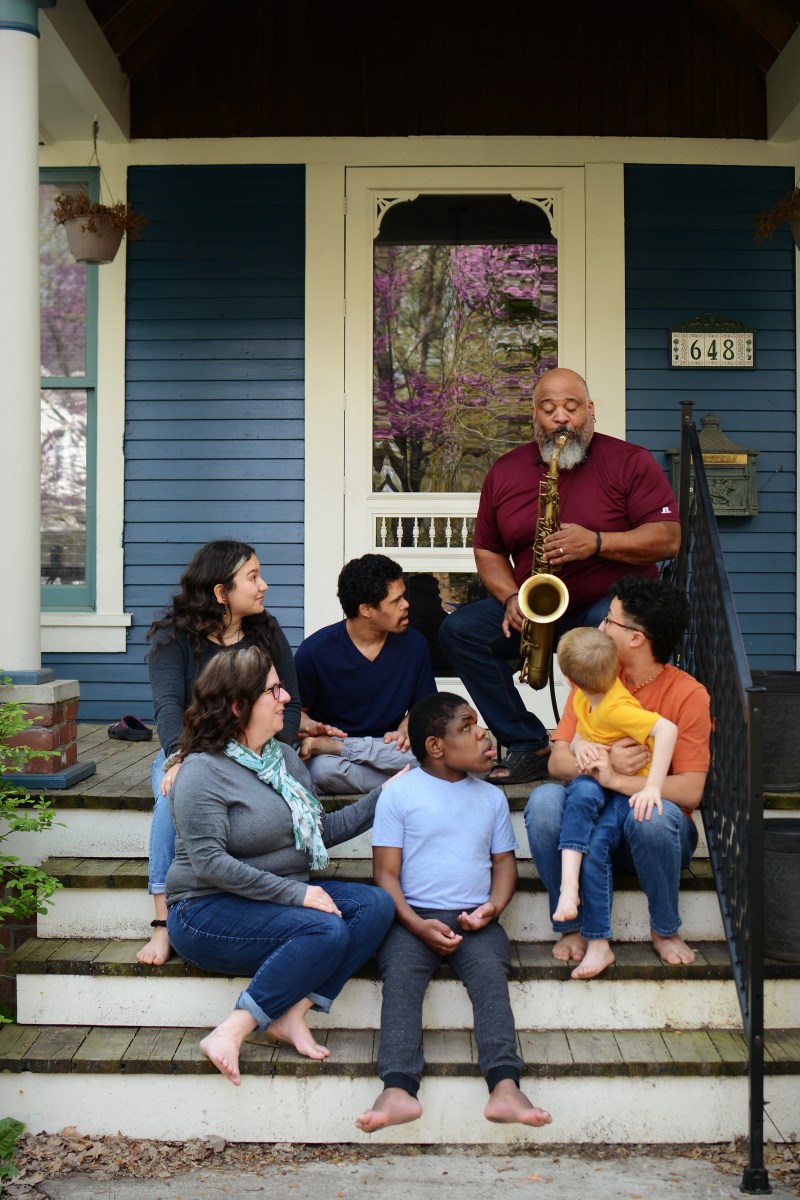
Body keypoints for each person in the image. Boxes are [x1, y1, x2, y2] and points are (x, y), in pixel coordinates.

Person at [165, 645, 396, 1085]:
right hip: (206, 909)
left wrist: (388, 794)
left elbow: (319, 832)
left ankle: (293, 1011)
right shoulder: (201, 772)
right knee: (325, 928)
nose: (286, 698)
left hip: (276, 900)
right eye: (274, 689)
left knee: (375, 906)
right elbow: (210, 864)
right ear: (238, 706)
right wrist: (297, 893)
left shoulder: (284, 759)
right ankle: (235, 1027)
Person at [438, 367, 681, 785]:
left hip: (612, 600)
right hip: (540, 603)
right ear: (535, 416)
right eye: (549, 408)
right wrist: (511, 598)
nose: (561, 418)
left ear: (590, 411)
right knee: (459, 631)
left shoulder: (630, 461)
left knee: (610, 632)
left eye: (571, 407)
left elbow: (668, 538)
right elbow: (488, 549)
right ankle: (527, 742)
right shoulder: (506, 471)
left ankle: (612, 742)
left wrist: (598, 542)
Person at [356, 692, 552, 1133]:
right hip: (412, 919)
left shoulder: (491, 799)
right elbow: (386, 876)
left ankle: (505, 1085)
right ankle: (398, 1088)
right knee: (401, 982)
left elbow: (504, 865)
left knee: (490, 983)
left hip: (475, 921)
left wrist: (493, 908)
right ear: (436, 747)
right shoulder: (400, 794)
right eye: (467, 726)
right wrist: (413, 923)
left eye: (478, 724)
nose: (483, 734)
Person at [524, 575, 711, 981]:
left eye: (609, 621)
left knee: (652, 815)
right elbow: (558, 761)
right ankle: (570, 925)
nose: (601, 628)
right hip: (598, 815)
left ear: (637, 638)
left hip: (655, 833)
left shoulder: (687, 695)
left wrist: (617, 778)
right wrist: (602, 758)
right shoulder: (593, 677)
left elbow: (691, 790)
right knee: (542, 803)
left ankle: (665, 930)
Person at [137, 539, 301, 967]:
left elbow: (292, 702)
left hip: (258, 751)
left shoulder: (266, 632)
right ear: (220, 591)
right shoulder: (174, 638)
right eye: (253, 577)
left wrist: (271, 753)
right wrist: (181, 760)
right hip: (193, 751)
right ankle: (163, 922)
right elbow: (168, 710)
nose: (264, 585)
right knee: (173, 797)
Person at [551, 626, 678, 925]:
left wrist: (653, 787)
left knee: (598, 840)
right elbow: (582, 732)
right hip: (598, 779)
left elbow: (667, 730)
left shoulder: (617, 708)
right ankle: (568, 889)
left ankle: (596, 928)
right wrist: (581, 746)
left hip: (625, 791)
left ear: (569, 680)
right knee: (579, 797)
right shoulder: (583, 698)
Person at [295, 554, 437, 794]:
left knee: (444, 753)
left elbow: (422, 708)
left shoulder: (414, 644)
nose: (406, 605)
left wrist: (406, 729)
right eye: (396, 600)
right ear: (367, 609)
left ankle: (343, 753)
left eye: (404, 596)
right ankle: (406, 781)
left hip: (386, 746)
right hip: (334, 756)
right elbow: (294, 713)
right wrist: (312, 727)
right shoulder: (315, 651)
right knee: (323, 771)